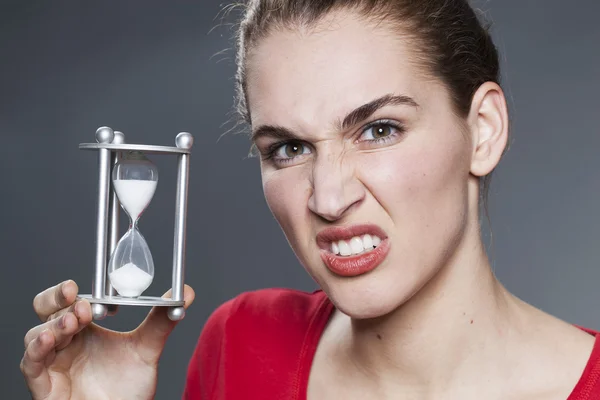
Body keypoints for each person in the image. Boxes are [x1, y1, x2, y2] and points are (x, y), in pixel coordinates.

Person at [21, 0, 600, 399]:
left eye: (379, 130)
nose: (329, 196)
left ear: (483, 131)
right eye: (289, 148)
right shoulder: (242, 343)